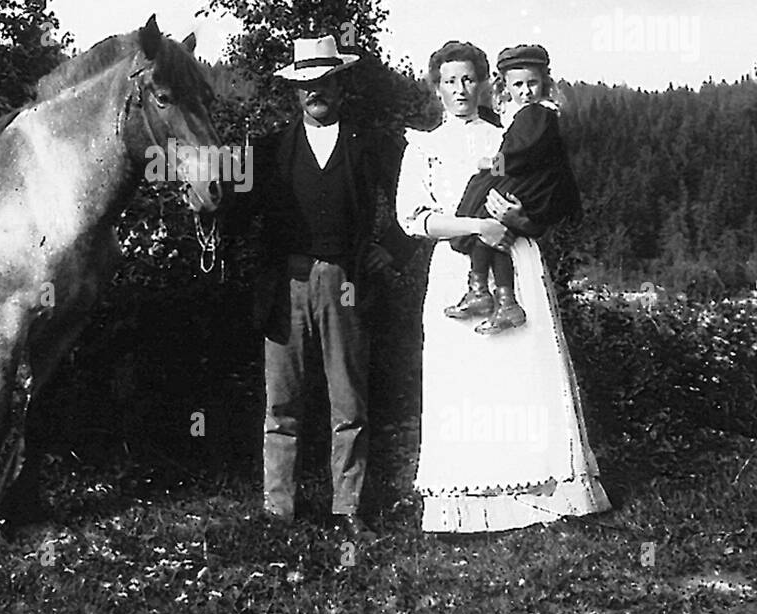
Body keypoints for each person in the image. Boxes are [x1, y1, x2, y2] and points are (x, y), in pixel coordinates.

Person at [396, 40, 610, 533]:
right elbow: (413, 220)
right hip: (458, 267)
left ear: (486, 83)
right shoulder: (424, 146)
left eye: (469, 79)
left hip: (516, 257)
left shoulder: (513, 134)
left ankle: (536, 493)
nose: (460, 90)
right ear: (436, 89)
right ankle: (471, 501)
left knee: (520, 371)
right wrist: (475, 228)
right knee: (467, 379)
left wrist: (519, 219)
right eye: (449, 81)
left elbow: (549, 196)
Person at [222, 35, 415, 539]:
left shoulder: (371, 143)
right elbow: (234, 213)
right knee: (281, 401)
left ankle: (347, 507)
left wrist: (389, 249)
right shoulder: (267, 151)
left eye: (323, 81)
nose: (315, 91)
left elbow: (412, 198)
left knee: (348, 399)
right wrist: (207, 198)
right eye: (305, 83)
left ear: (340, 83)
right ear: (294, 91)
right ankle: (277, 510)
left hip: (345, 280)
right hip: (285, 279)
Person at [445, 44, 582, 335]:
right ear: (505, 86)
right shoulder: (520, 114)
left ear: (544, 82)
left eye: (532, 83)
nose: (526, 91)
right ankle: (502, 297)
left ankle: (482, 288)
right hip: (529, 183)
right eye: (518, 84)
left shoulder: (537, 114)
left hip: (530, 184)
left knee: (481, 205)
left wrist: (492, 164)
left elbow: (522, 153)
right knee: (493, 229)